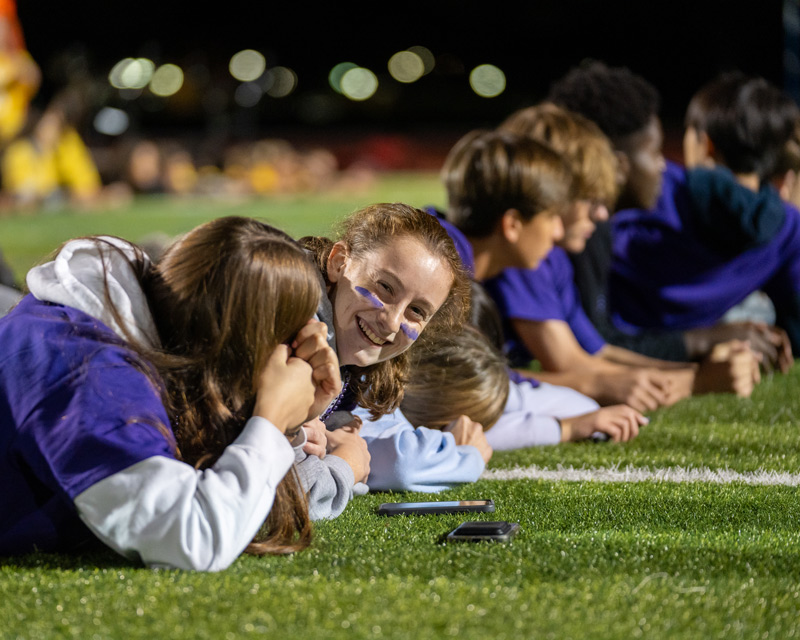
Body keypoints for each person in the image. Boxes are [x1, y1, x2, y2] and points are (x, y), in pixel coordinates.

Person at [0, 216, 342, 570]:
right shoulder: (91, 376)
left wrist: (287, 424)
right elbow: (193, 538)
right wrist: (271, 419)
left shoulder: (135, 331)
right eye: (292, 340)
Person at [440, 127, 759, 412]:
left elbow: (597, 352)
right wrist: (696, 381)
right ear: (513, 224)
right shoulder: (440, 262)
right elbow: (466, 378)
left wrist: (692, 375)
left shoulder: (534, 258)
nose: (556, 231)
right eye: (554, 213)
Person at [548, 61, 793, 373]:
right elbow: (588, 351)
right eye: (654, 152)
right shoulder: (575, 233)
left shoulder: (598, 226)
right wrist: (701, 354)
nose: (663, 165)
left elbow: (596, 346)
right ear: (619, 165)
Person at [606, 70, 800, 364]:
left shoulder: (655, 192)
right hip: (692, 341)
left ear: (704, 142)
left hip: (609, 340)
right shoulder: (787, 227)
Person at [300, 202, 485, 493]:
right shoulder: (294, 320)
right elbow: (274, 497)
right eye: (385, 287)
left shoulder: (363, 364)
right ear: (339, 262)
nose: (391, 321)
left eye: (417, 311)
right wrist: (346, 466)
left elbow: (400, 462)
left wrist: (467, 455)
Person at [401, 323, 644, 450]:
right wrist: (568, 429)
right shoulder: (386, 421)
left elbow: (580, 407)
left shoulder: (492, 385)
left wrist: (575, 425)